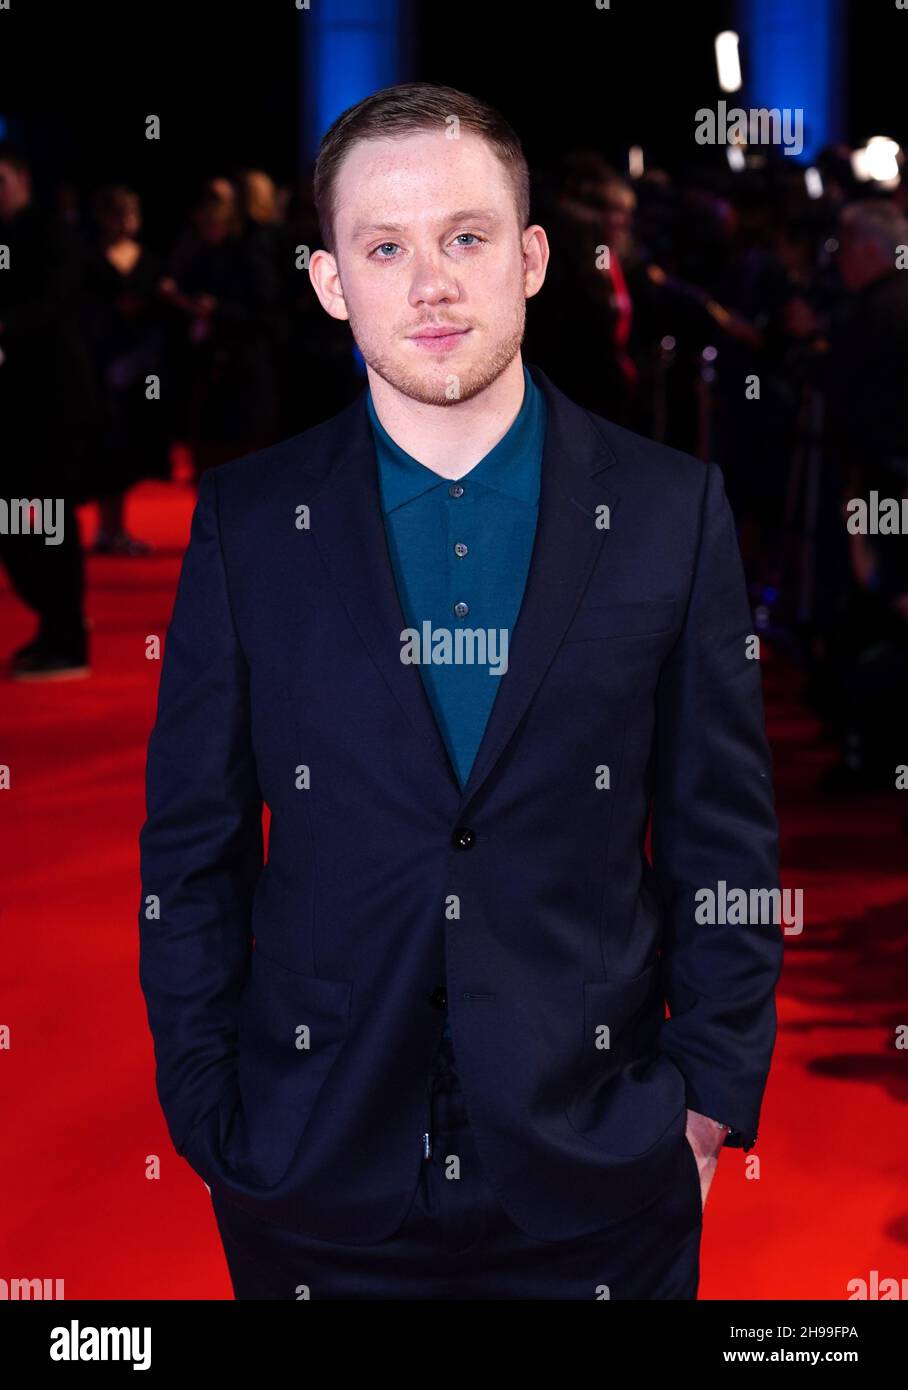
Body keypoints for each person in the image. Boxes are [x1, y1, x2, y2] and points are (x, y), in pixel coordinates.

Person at [138, 82, 783, 1301]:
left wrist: (701, 1103)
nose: (430, 283)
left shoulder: (664, 508)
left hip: (597, 1166)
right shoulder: (250, 520)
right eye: (384, 247)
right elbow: (192, 844)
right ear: (332, 280)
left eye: (465, 238)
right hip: (312, 1166)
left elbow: (724, 837)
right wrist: (209, 1105)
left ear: (531, 258)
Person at [0, 144, 99, 678]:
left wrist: (7, 329)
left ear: (21, 177)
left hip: (52, 408)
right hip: (14, 414)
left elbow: (57, 299)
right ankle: (55, 625)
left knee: (51, 523)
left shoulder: (53, 233)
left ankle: (67, 639)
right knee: (14, 526)